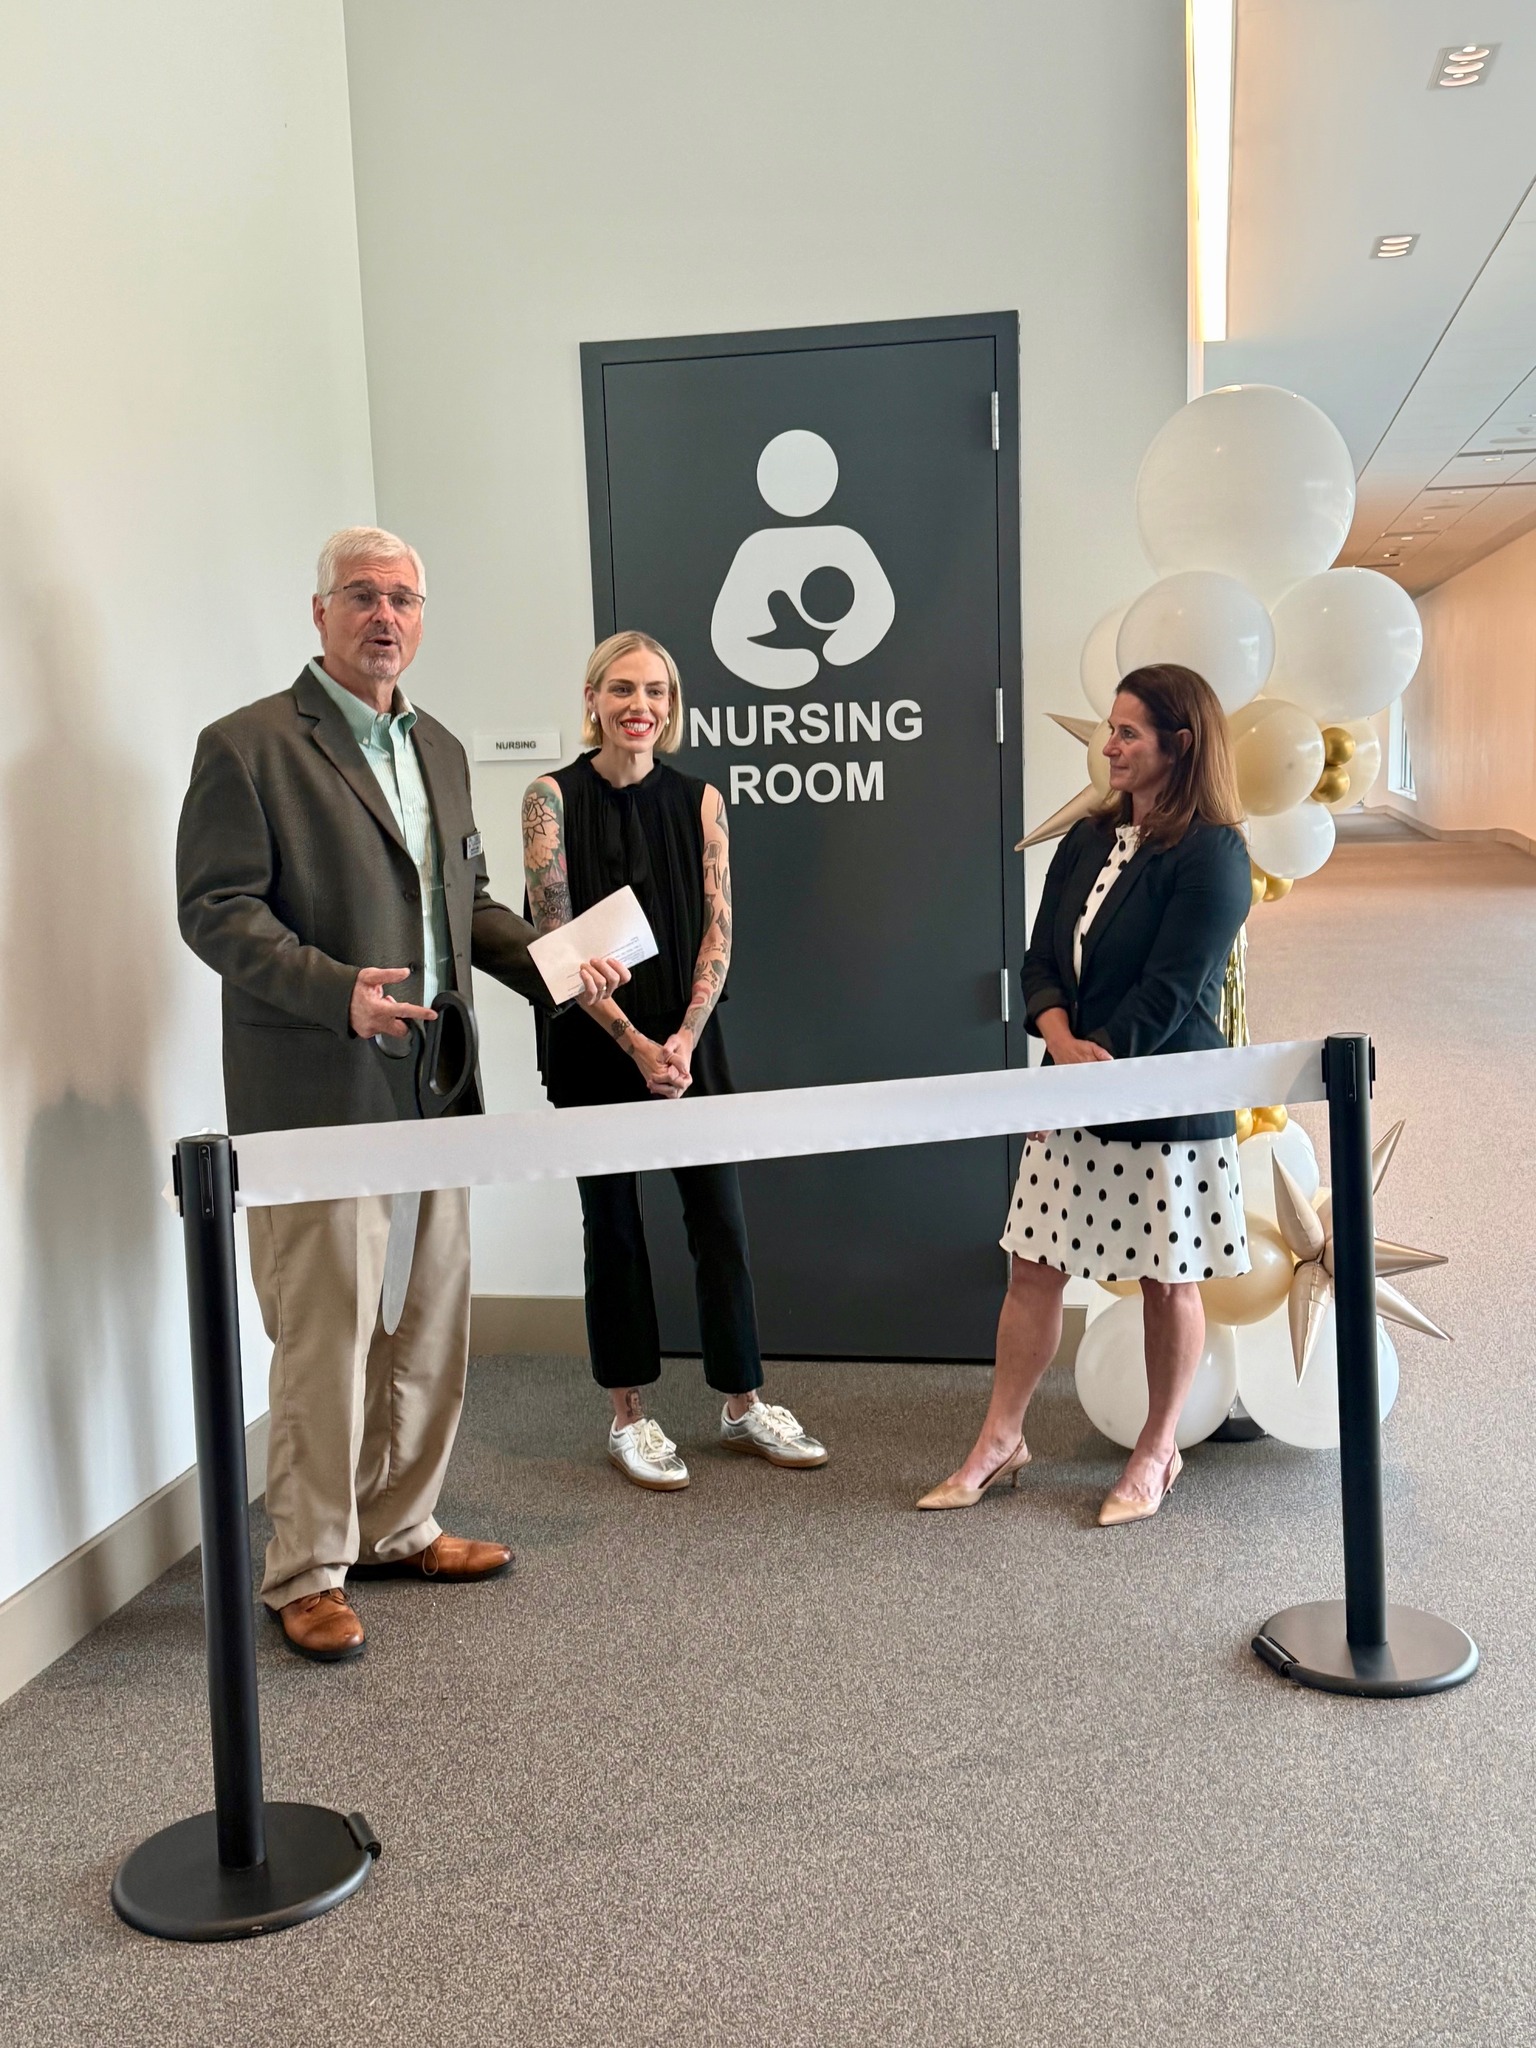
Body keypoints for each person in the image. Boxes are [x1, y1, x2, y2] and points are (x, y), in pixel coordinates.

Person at [176, 526, 627, 1662]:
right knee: (323, 1333)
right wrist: (337, 993)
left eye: (406, 598)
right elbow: (219, 910)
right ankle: (308, 1568)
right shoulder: (248, 746)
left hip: (438, 1084)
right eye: (364, 595)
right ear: (319, 613)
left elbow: (462, 905)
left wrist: (560, 961)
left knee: (429, 1317)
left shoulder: (443, 750)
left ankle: (401, 1520)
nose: (387, 615)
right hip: (319, 1084)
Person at [918, 662, 1252, 1525]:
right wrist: (1061, 1042)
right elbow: (1039, 961)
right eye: (1111, 728)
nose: (1110, 745)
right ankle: (1002, 1438)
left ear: (1180, 745)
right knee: (1032, 1266)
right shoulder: (1087, 838)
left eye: (1129, 732)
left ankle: (1158, 1449)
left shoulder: (1213, 851)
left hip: (1162, 1099)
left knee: (1165, 1281)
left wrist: (1092, 1060)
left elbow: (1172, 991)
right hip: (1069, 1086)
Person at [521, 629, 827, 1490]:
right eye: (621, 689)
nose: (638, 707)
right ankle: (629, 1415)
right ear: (591, 699)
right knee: (613, 1229)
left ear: (672, 706)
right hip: (594, 1041)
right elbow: (555, 939)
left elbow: (720, 932)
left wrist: (684, 1041)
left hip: (690, 1044)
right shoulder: (549, 800)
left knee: (719, 1223)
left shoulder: (700, 799)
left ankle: (741, 1403)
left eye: (654, 692)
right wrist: (634, 1042)